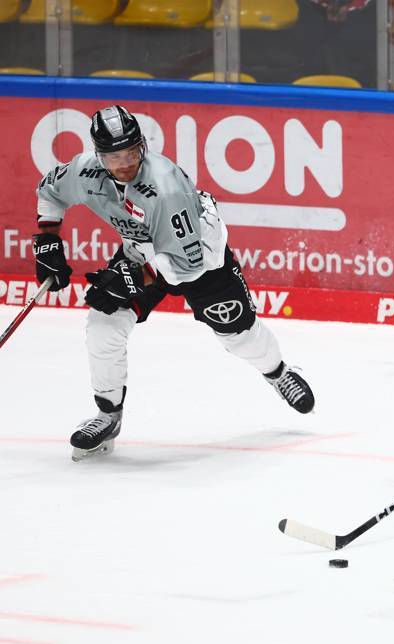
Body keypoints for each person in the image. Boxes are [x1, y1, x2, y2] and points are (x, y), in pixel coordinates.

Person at [32, 105, 315, 462]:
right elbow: (50, 192)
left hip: (201, 259)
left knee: (240, 335)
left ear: (142, 146)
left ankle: (278, 373)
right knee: (103, 324)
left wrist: (131, 280)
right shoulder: (85, 171)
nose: (125, 163)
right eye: (114, 156)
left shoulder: (165, 186)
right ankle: (108, 416)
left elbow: (186, 260)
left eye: (131, 153)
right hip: (142, 252)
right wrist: (48, 242)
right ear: (99, 156)